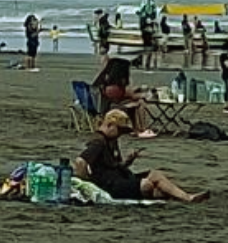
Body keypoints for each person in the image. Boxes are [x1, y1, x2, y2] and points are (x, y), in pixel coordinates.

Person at [76, 111, 208, 202]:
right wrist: (87, 185)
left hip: (119, 178)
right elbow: (80, 161)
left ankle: (187, 198)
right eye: (120, 130)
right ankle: (172, 197)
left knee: (155, 175)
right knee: (147, 185)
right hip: (109, 184)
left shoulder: (111, 141)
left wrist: (128, 161)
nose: (121, 134)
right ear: (110, 125)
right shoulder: (98, 142)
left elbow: (114, 165)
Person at [93, 57, 154, 135]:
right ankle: (142, 128)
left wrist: (136, 91)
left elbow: (125, 94)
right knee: (140, 102)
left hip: (108, 105)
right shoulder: (117, 86)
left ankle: (137, 129)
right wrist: (143, 94)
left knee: (135, 103)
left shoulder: (107, 84)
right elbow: (130, 95)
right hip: (116, 106)